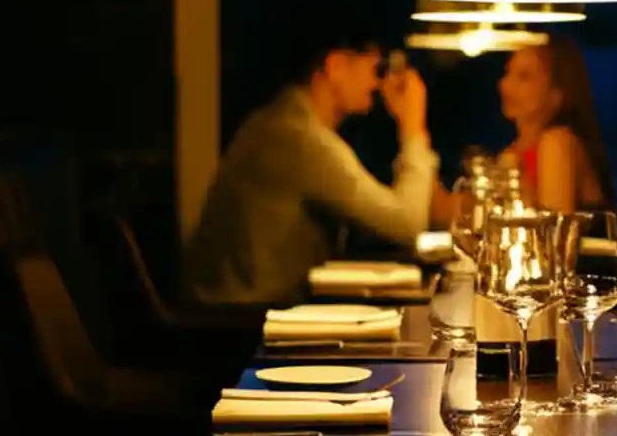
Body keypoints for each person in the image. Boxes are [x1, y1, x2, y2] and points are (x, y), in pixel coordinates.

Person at [181, 20, 438, 308]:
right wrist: (413, 129)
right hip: (240, 326)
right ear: (336, 65)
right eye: (374, 69)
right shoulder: (298, 138)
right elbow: (407, 224)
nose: (378, 83)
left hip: (244, 311)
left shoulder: (281, 122)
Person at [496, 35, 617, 213]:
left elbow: (554, 229)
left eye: (524, 77)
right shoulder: (512, 152)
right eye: (507, 72)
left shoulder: (557, 142)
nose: (505, 85)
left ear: (557, 94)